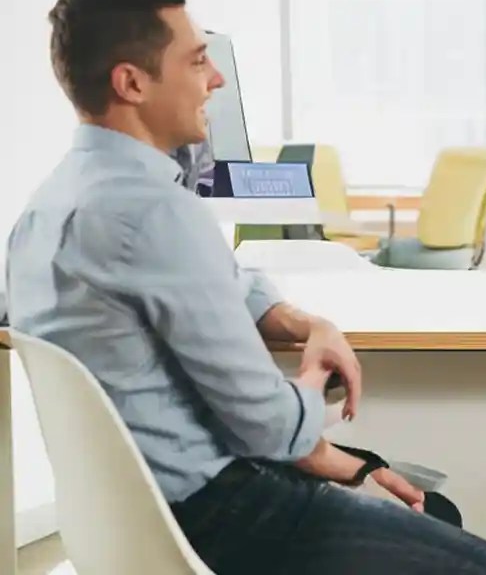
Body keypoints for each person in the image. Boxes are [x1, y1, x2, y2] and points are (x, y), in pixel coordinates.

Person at [5, 0, 486, 575]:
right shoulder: (153, 213)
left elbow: (214, 282)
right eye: (197, 60)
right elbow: (271, 427)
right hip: (221, 517)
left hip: (126, 520)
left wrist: (306, 325)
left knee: (430, 519)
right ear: (131, 83)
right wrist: (313, 378)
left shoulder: (46, 210)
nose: (216, 78)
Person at [169, 134, 467, 530]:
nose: (209, 96)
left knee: (435, 510)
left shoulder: (160, 220)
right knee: (445, 522)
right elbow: (268, 426)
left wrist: (315, 327)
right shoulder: (149, 229)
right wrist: (353, 462)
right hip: (211, 492)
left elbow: (235, 285)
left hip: (225, 460)